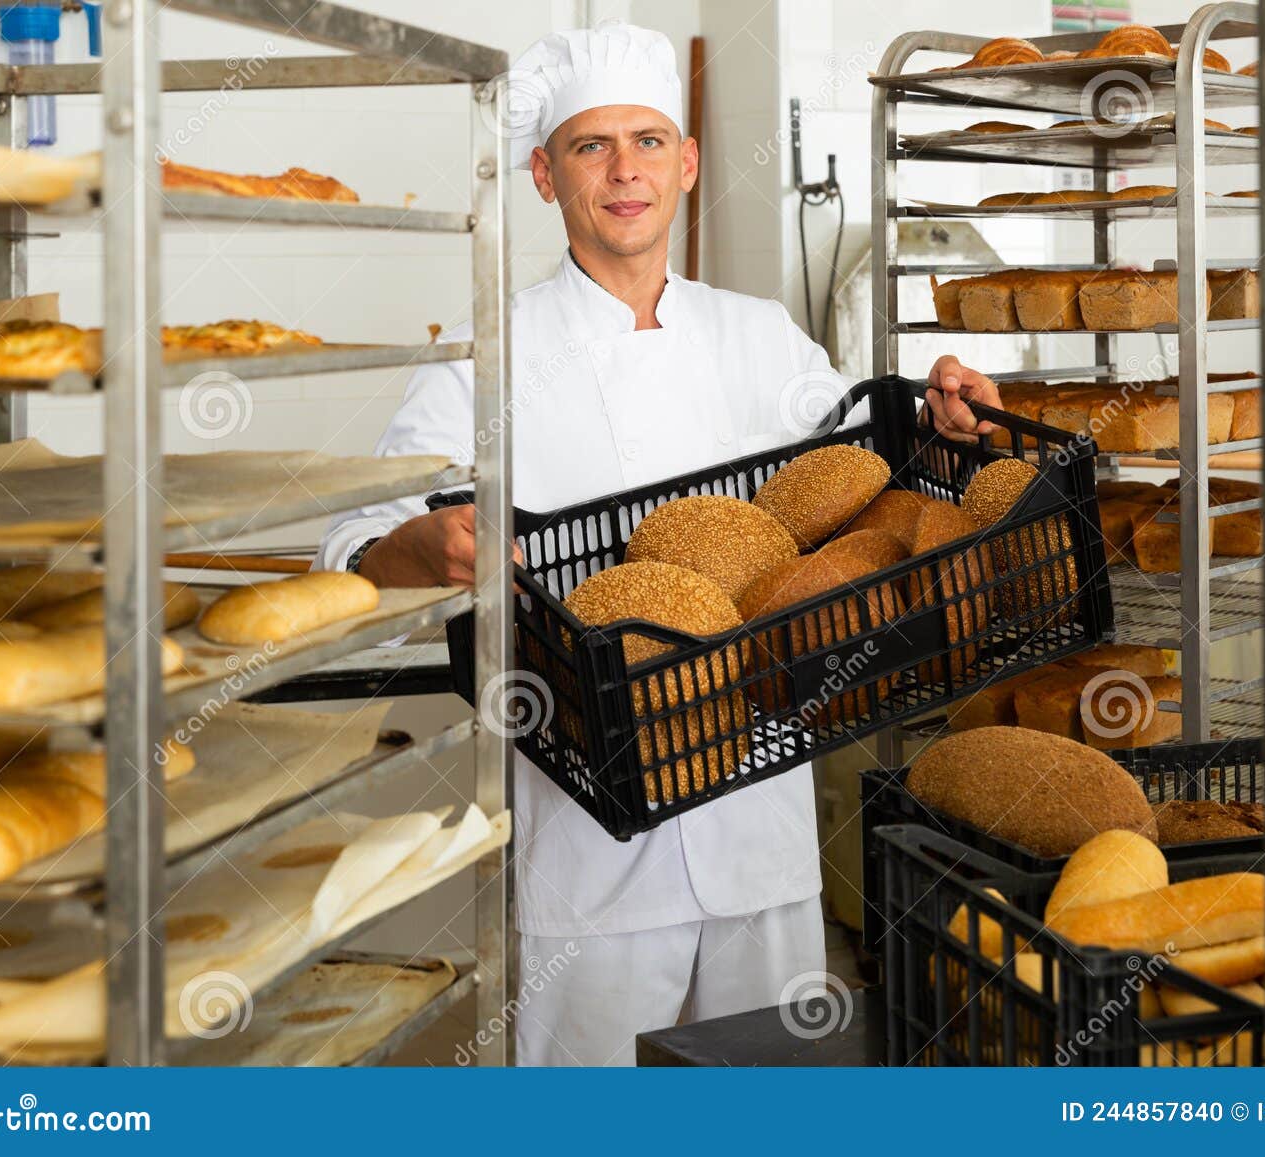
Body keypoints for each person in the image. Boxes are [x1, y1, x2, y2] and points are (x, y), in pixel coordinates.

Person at [319, 23, 999, 1066]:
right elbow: (352, 546)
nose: (623, 170)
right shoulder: (483, 357)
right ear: (544, 176)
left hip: (761, 817)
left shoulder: (757, 335)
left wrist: (943, 420)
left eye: (646, 142)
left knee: (768, 1099)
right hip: (589, 839)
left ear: (685, 164)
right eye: (590, 147)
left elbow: (866, 476)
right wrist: (420, 548)